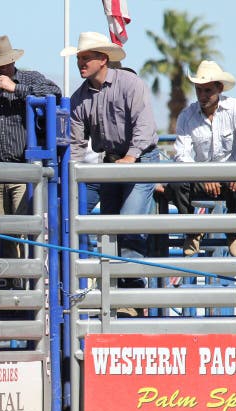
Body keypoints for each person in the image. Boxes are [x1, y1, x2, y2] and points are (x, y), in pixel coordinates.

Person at [62, 32, 159, 313]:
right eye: (79, 58)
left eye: (86, 57)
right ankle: (119, 297)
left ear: (103, 59)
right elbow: (76, 143)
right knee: (111, 230)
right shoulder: (79, 98)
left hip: (139, 160)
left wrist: (131, 156)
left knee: (127, 224)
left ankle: (133, 296)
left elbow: (145, 126)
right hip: (113, 162)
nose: (80, 63)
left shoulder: (130, 84)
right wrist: (72, 172)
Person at [0, 35, 60, 269]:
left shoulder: (30, 78)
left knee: (22, 231)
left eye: (5, 63)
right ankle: (7, 286)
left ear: (13, 61)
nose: (1, 68)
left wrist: (17, 89)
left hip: (23, 170)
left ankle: (25, 284)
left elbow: (55, 93)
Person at [166, 61, 236, 257]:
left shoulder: (235, 108)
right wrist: (203, 176)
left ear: (220, 89)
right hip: (201, 178)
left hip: (231, 176)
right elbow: (182, 154)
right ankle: (192, 231)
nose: (202, 95)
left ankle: (234, 231)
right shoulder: (186, 116)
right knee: (176, 184)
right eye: (199, 90)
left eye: (207, 90)